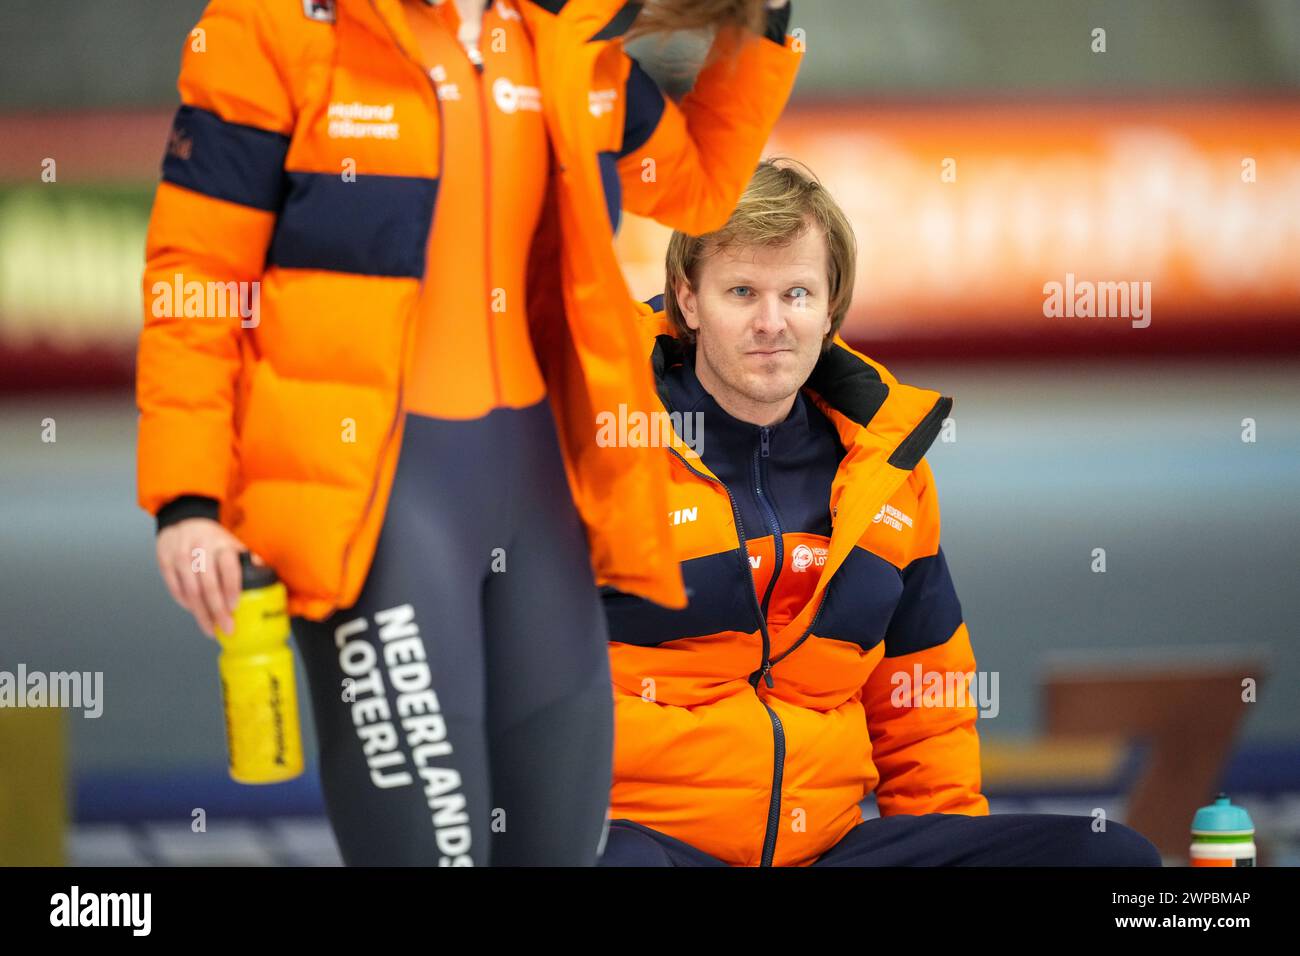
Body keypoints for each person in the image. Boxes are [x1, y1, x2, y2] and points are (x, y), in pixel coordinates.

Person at [137, 0, 801, 865]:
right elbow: (197, 273)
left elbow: (698, 187)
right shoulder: (274, 27)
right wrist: (188, 500)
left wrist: (764, 22)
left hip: (538, 495)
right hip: (373, 503)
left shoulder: (560, 41)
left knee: (553, 845)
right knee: (434, 850)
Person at [596, 159, 1163, 866]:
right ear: (688, 299)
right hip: (646, 844)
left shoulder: (886, 470)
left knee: (1113, 862)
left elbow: (923, 701)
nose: (771, 323)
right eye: (742, 291)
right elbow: (524, 674)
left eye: (797, 293)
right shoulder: (597, 441)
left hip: (828, 850)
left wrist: (956, 847)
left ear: (831, 305)